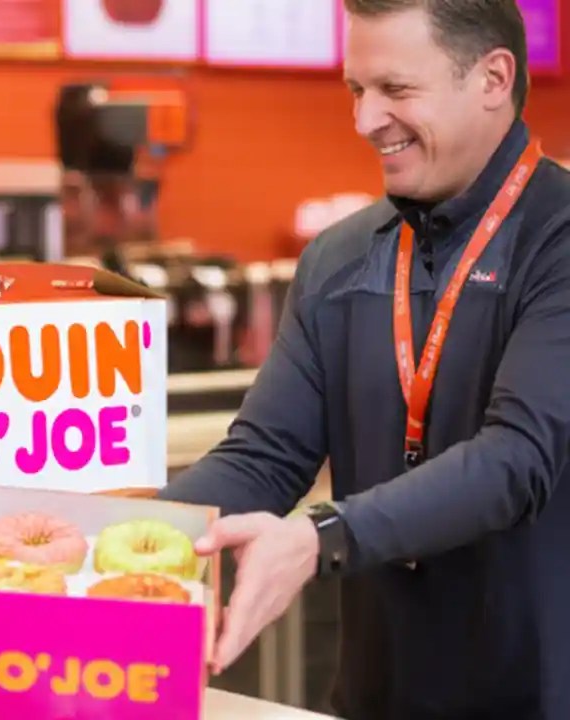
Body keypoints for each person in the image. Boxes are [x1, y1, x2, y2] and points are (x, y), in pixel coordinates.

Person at [136, 1, 570, 718]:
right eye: (355, 91)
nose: (366, 121)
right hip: (374, 698)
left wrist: (320, 536)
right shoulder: (339, 258)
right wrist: (111, 541)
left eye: (395, 90)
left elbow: (517, 459)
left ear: (494, 78)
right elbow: (265, 459)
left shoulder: (555, 241)